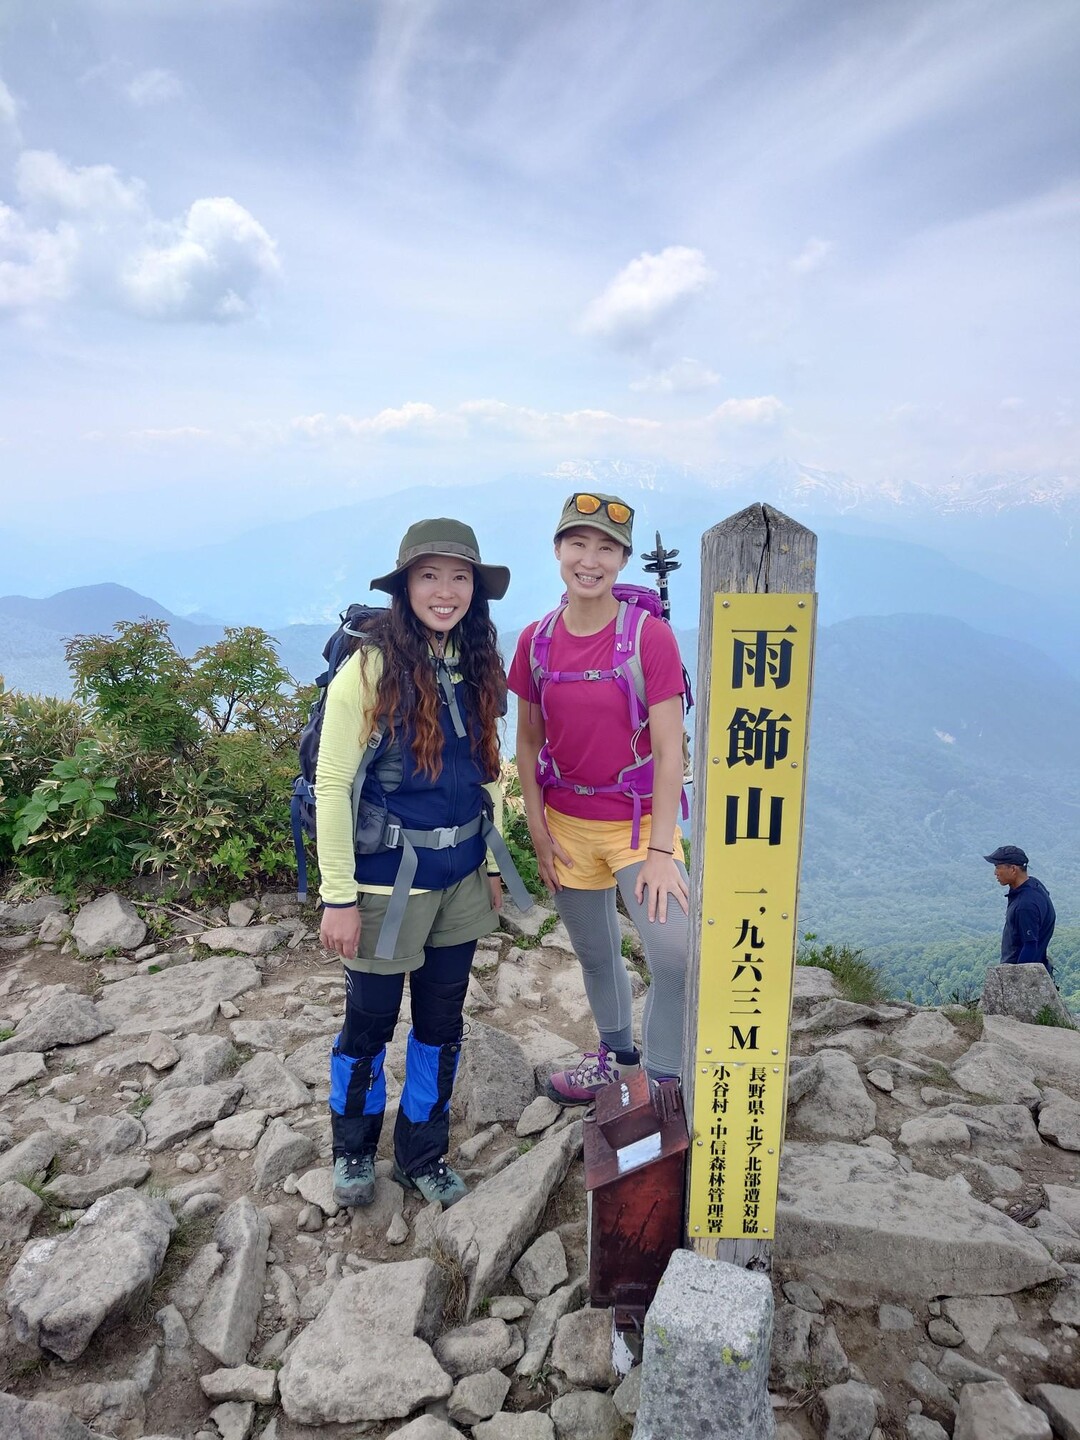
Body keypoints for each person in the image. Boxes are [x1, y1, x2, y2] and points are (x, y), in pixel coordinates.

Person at [318, 517, 517, 1209]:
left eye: (459, 577)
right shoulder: (370, 668)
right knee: (370, 1022)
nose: (445, 591)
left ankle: (421, 1153)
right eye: (429, 576)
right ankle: (352, 1148)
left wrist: (493, 862)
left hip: (460, 872)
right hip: (385, 882)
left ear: (475, 590)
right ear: (404, 586)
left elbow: (489, 767)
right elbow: (333, 786)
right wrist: (338, 896)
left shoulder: (475, 659)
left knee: (441, 1024)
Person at [508, 491, 689, 1102]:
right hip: (566, 823)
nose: (590, 559)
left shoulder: (649, 637)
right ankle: (618, 1061)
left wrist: (661, 852)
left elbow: (670, 750)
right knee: (594, 952)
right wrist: (537, 831)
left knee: (674, 955)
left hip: (639, 828)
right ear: (558, 549)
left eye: (606, 548)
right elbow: (527, 742)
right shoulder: (535, 641)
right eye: (578, 543)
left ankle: (662, 1086)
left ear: (623, 559)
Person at [984, 844, 1056, 973]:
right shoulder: (1035, 885)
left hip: (1022, 974)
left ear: (1013, 869)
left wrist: (1017, 978)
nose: (995, 872)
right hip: (1039, 967)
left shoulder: (1025, 905)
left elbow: (1030, 945)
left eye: (998, 867)